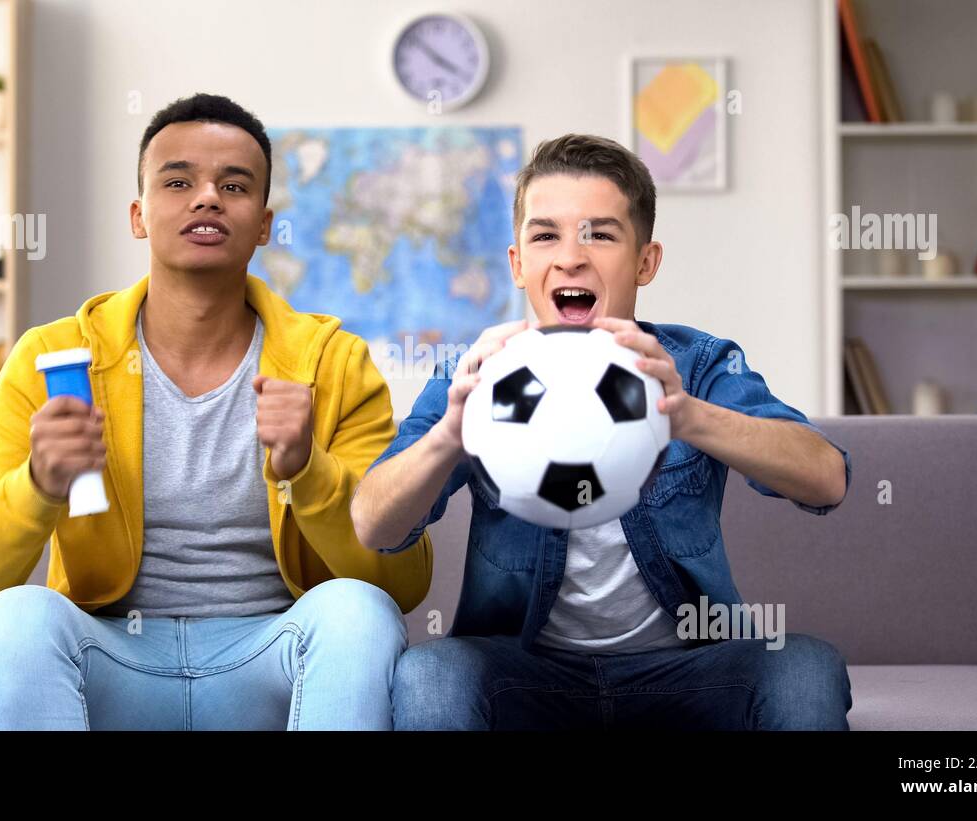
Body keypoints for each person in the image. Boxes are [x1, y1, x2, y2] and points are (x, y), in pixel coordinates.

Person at [0, 93, 432, 730]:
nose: (207, 198)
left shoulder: (333, 364)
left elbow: (403, 581)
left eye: (234, 185)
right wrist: (36, 485)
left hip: (270, 662)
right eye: (178, 181)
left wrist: (309, 470)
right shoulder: (54, 357)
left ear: (262, 223)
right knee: (11, 619)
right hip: (112, 660)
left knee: (358, 610)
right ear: (140, 215)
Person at [351, 134, 854, 730]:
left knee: (804, 665)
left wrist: (687, 414)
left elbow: (826, 478)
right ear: (517, 263)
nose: (570, 257)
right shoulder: (478, 373)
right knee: (431, 673)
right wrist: (449, 436)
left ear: (646, 261)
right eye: (545, 235)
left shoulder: (697, 364)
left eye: (600, 234)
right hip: (527, 674)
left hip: (689, 670)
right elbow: (374, 527)